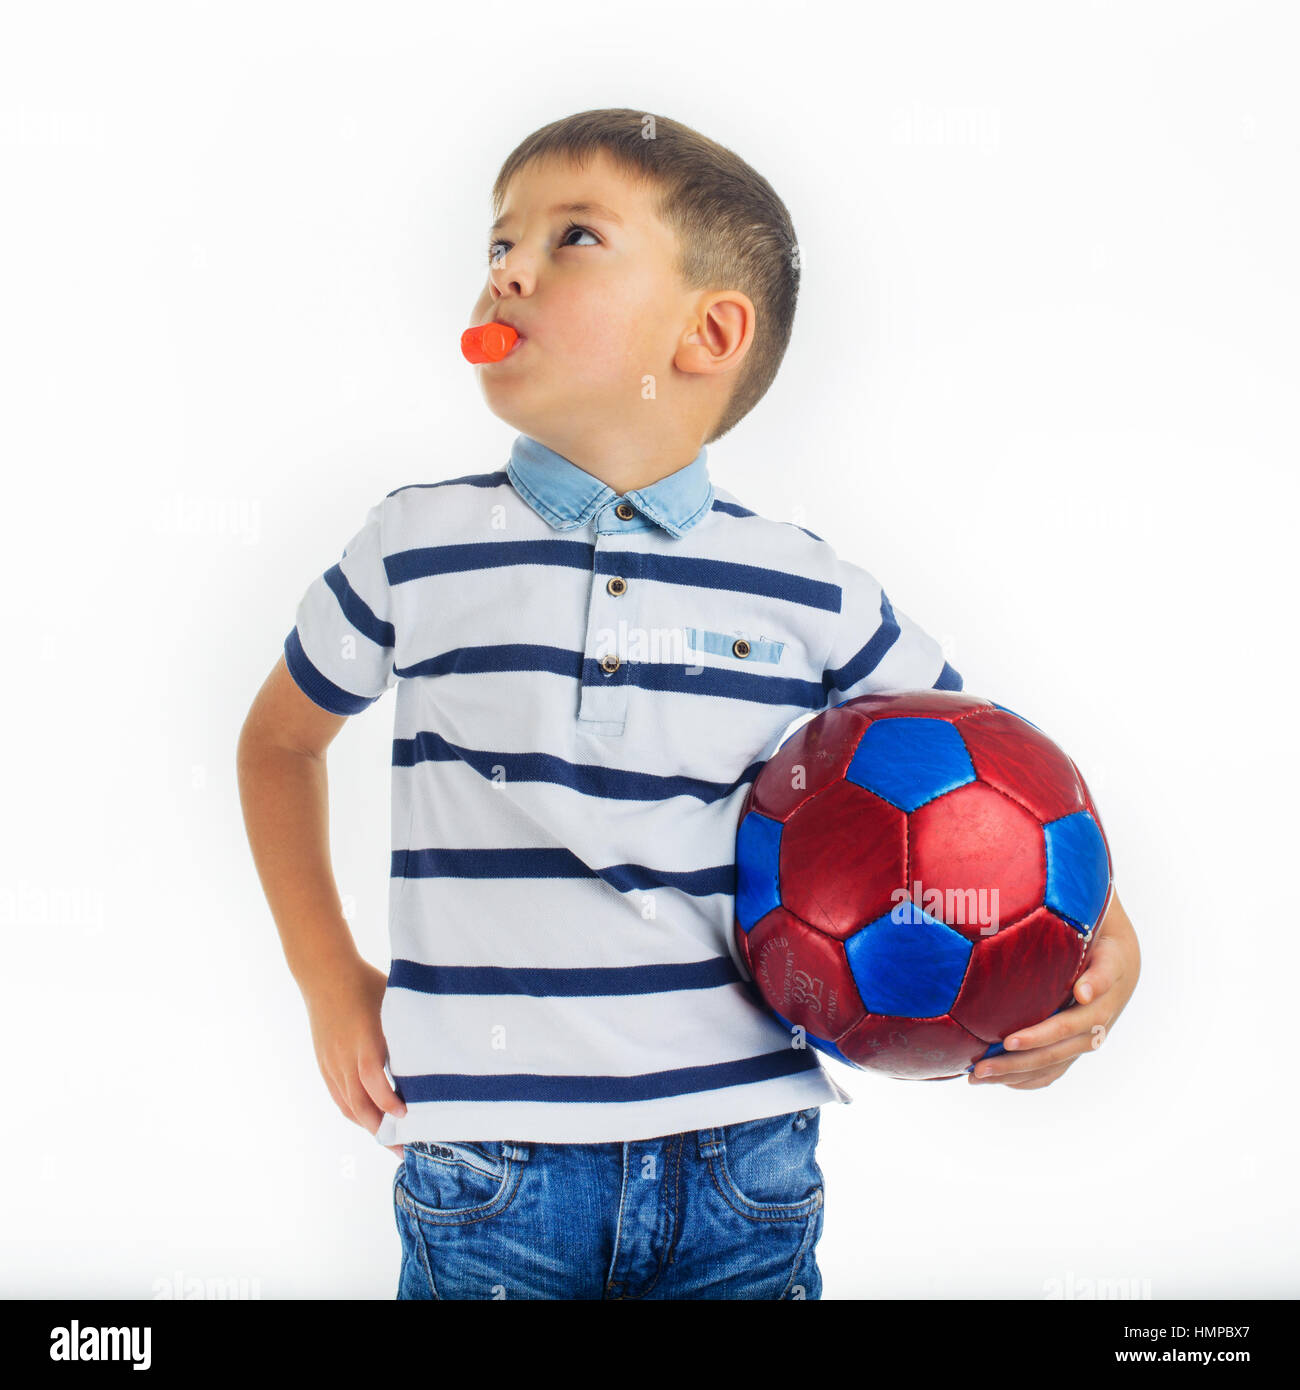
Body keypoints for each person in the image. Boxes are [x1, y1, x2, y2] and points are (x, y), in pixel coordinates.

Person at [236, 108, 1142, 1300]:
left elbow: (991, 783)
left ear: (709, 332)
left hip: (744, 1160)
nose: (507, 266)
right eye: (498, 241)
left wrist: (1106, 938)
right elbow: (279, 742)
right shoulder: (415, 546)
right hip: (488, 1162)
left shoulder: (803, 583)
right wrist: (326, 974)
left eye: (572, 238)